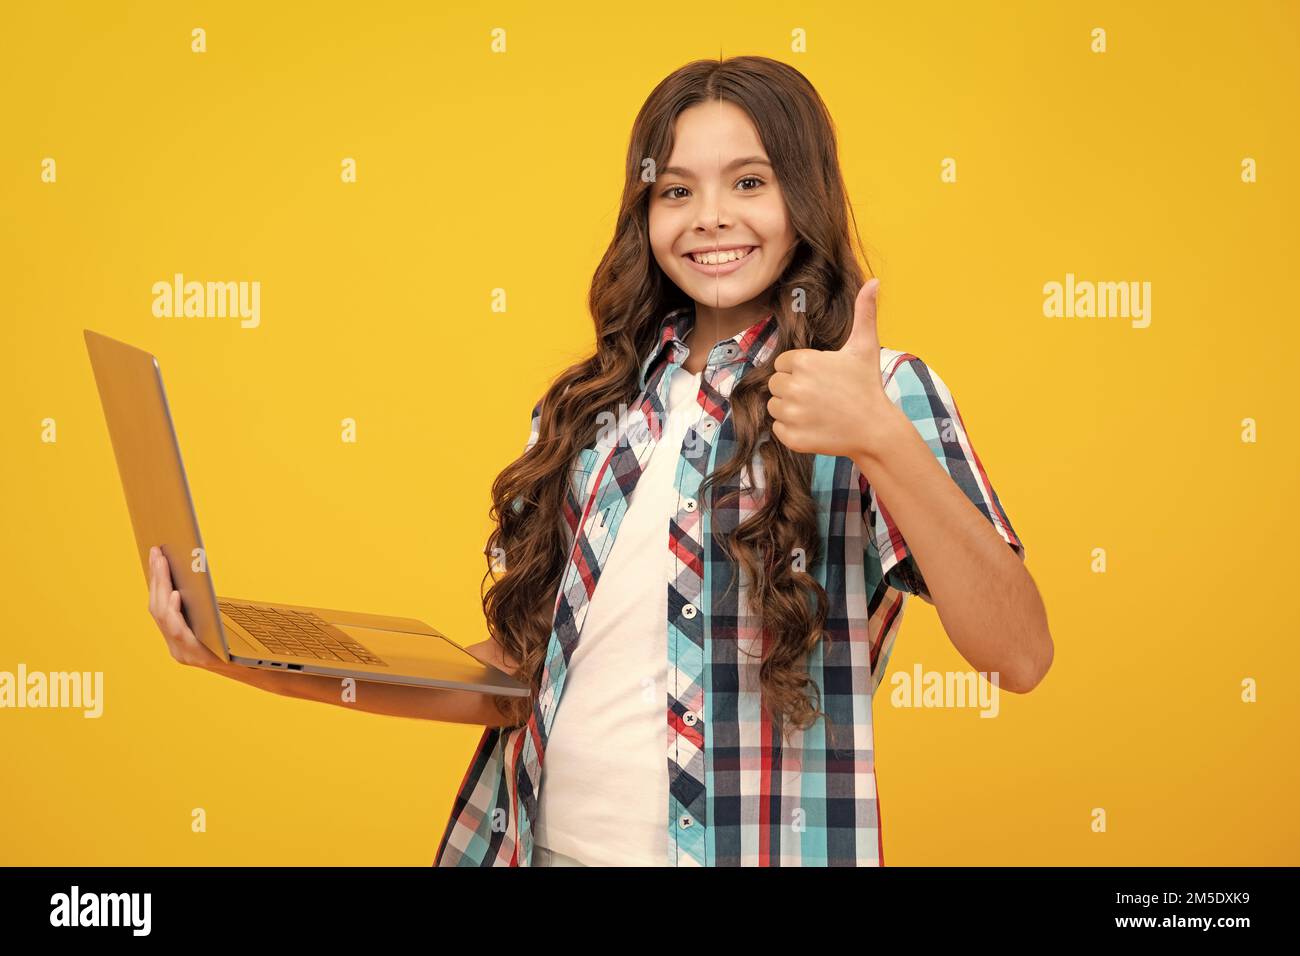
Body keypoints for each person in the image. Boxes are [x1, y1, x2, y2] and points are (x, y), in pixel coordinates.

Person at [148, 55, 1052, 868]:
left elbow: (1019, 653)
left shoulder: (875, 391)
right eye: (676, 191)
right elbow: (511, 682)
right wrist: (253, 658)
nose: (711, 220)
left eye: (749, 182)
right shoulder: (590, 408)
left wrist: (878, 437)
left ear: (803, 200)